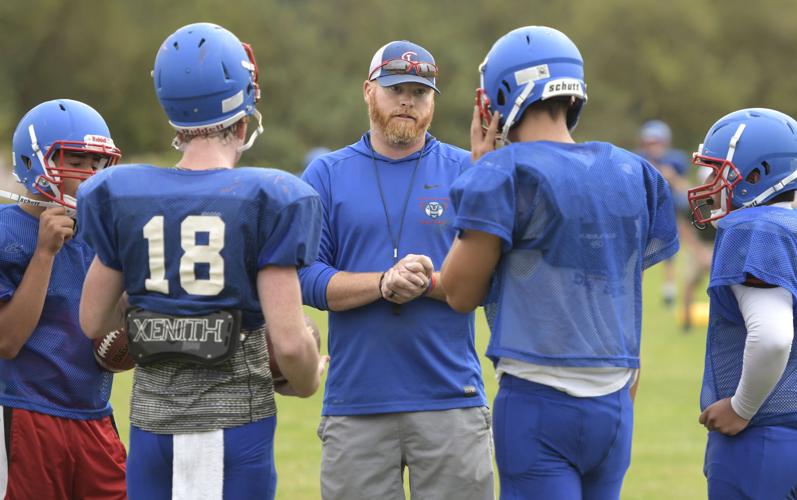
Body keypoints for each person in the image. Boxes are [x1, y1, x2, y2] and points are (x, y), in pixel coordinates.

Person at [77, 23, 324, 500]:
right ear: (242, 122)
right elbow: (292, 346)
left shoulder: (124, 196)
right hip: (235, 427)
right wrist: (308, 378)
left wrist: (159, 305)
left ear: (174, 119)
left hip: (151, 429)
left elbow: (93, 320)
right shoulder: (268, 198)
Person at [440, 26, 679, 499]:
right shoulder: (631, 170)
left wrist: (482, 168)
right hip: (616, 399)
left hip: (539, 401)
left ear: (496, 99)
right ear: (573, 93)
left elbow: (459, 293)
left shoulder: (503, 173)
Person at [299, 40, 494, 500]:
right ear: (369, 91)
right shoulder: (325, 175)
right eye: (396, 89)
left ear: (432, 102)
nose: (408, 101)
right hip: (356, 405)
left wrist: (427, 283)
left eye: (420, 92)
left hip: (452, 400)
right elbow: (306, 278)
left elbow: (489, 280)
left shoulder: (467, 170)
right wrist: (384, 283)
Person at [0, 99, 126, 499]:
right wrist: (44, 253)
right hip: (25, 413)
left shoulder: (101, 233)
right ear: (33, 161)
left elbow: (113, 325)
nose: (88, 173)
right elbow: (7, 341)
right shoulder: (6, 232)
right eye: (76, 160)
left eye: (96, 162)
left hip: (94, 415)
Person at [688, 108, 797, 499]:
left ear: (754, 176)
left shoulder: (755, 228)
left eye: (718, 172)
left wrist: (742, 407)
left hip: (767, 438)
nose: (709, 184)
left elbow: (773, 337)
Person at [637, 120, 691, 308]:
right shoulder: (638, 160)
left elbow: (685, 189)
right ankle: (637, 289)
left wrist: (672, 177)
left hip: (670, 211)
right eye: (650, 143)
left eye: (657, 143)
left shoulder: (675, 161)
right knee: (639, 251)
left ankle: (669, 287)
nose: (653, 147)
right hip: (643, 212)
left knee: (671, 250)